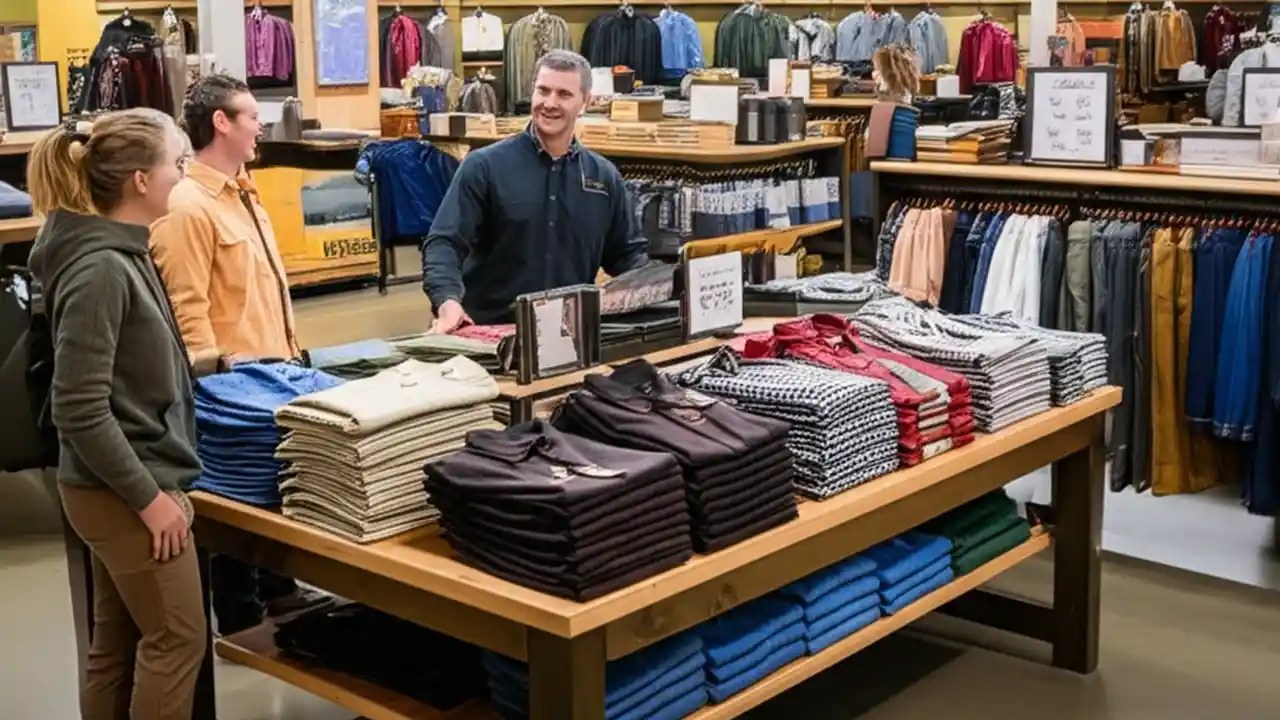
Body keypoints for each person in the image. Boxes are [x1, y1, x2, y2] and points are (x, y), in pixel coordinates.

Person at [26, 109, 206, 719]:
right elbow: (77, 405)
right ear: (138, 180)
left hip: (119, 482)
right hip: (124, 490)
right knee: (178, 638)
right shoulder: (101, 267)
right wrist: (148, 498)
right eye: (176, 166)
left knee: (120, 641)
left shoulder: (121, 252)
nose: (183, 177)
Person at [150, 74, 329, 635]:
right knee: (236, 492)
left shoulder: (244, 192)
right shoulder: (186, 205)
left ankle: (276, 588)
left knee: (271, 485)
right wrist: (211, 386)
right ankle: (240, 611)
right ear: (221, 123)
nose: (261, 126)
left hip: (274, 371)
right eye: (252, 115)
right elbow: (186, 305)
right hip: (230, 386)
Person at [422, 49, 649, 332]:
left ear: (585, 102)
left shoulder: (604, 177)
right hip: (491, 333)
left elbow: (627, 257)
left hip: (568, 334)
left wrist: (661, 289)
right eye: (543, 91)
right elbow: (444, 243)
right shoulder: (484, 166)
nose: (550, 103)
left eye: (564, 94)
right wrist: (448, 303)